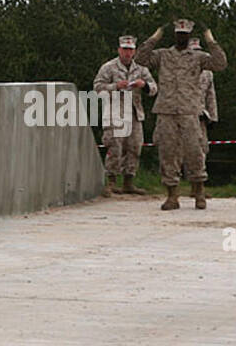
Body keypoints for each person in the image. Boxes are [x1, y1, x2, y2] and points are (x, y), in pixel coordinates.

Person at [134, 19, 227, 210]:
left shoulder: (198, 57)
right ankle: (172, 196)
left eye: (185, 35)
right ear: (174, 36)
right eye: (179, 34)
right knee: (168, 152)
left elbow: (220, 63)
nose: (181, 38)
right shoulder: (163, 55)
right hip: (167, 110)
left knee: (195, 151)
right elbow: (140, 60)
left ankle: (199, 192)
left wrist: (210, 40)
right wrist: (154, 37)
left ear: (189, 37)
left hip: (190, 110)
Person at [93, 35, 156, 195]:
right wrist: (115, 86)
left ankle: (129, 181)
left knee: (134, 147)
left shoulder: (140, 69)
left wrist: (145, 85)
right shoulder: (109, 67)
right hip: (115, 112)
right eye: (125, 50)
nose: (127, 53)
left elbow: (154, 88)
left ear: (134, 51)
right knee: (115, 146)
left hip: (134, 112)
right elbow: (97, 88)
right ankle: (110, 181)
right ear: (119, 50)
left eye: (130, 50)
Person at [188, 36, 219, 160]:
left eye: (198, 51)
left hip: (201, 116)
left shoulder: (207, 73)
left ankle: (199, 177)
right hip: (182, 115)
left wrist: (213, 117)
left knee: (201, 148)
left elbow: (211, 96)